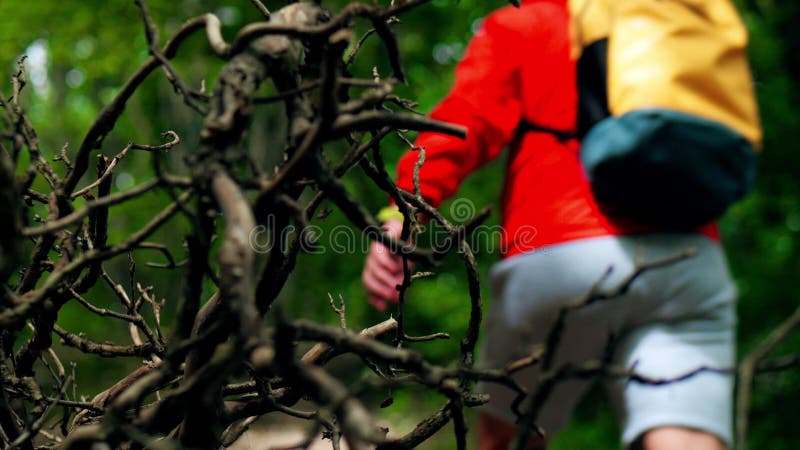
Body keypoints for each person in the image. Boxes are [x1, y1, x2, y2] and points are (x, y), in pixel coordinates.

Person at [362, 1, 737, 449]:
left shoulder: (531, 22)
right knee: (686, 435)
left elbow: (466, 121)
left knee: (510, 434)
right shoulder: (682, 19)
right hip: (687, 256)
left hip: (560, 254)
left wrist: (403, 214)